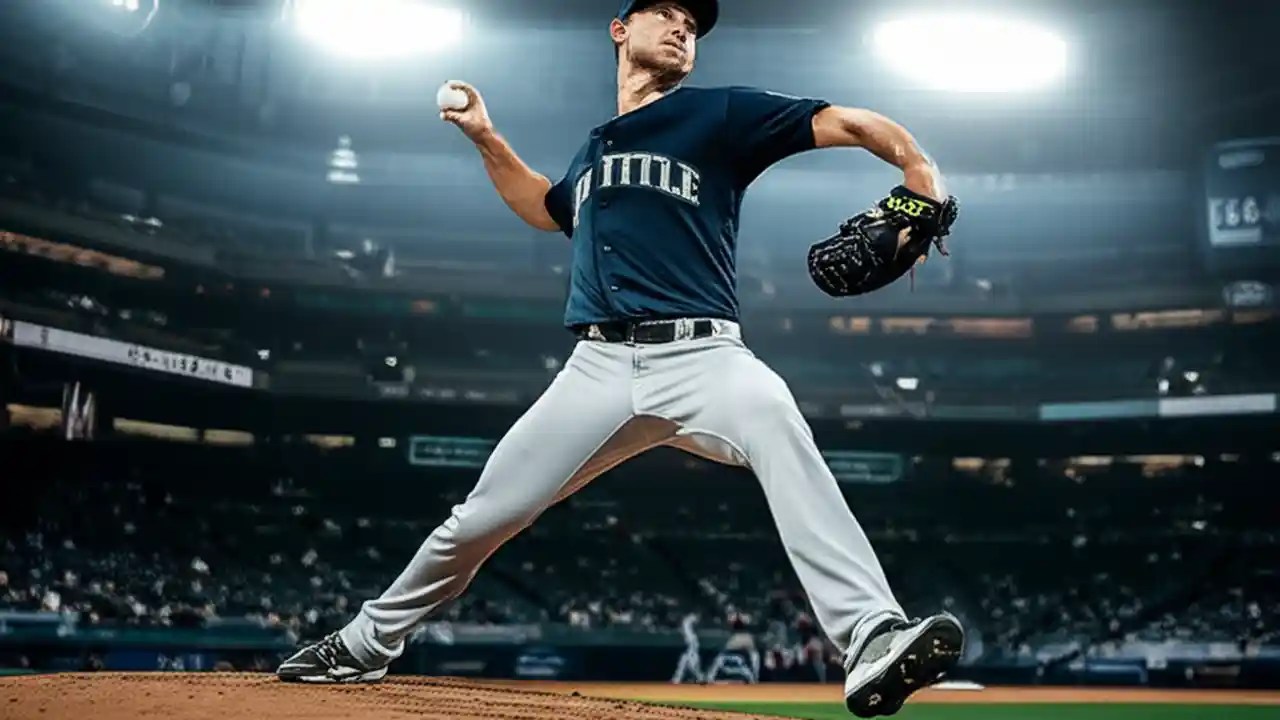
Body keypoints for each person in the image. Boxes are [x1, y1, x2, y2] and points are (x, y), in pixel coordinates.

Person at [277, 1, 963, 715]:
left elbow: (852, 124)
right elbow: (545, 207)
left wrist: (919, 168)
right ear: (619, 29)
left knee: (777, 423)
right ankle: (363, 643)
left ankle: (872, 634)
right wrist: (485, 136)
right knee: (481, 517)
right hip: (596, 370)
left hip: (705, 357)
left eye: (692, 26)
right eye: (665, 13)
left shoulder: (720, 116)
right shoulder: (595, 149)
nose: (681, 29)